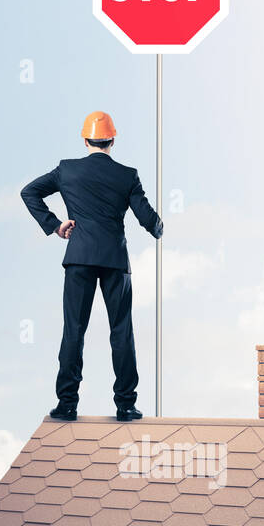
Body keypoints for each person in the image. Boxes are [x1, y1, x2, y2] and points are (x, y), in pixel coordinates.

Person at [20, 110, 163, 422]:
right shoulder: (127, 175)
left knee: (74, 330)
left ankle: (67, 404)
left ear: (85, 139)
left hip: (79, 258)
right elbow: (146, 217)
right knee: (121, 331)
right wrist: (158, 227)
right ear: (112, 140)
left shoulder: (67, 170)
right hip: (114, 260)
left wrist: (55, 225)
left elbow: (28, 192)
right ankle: (125, 405)